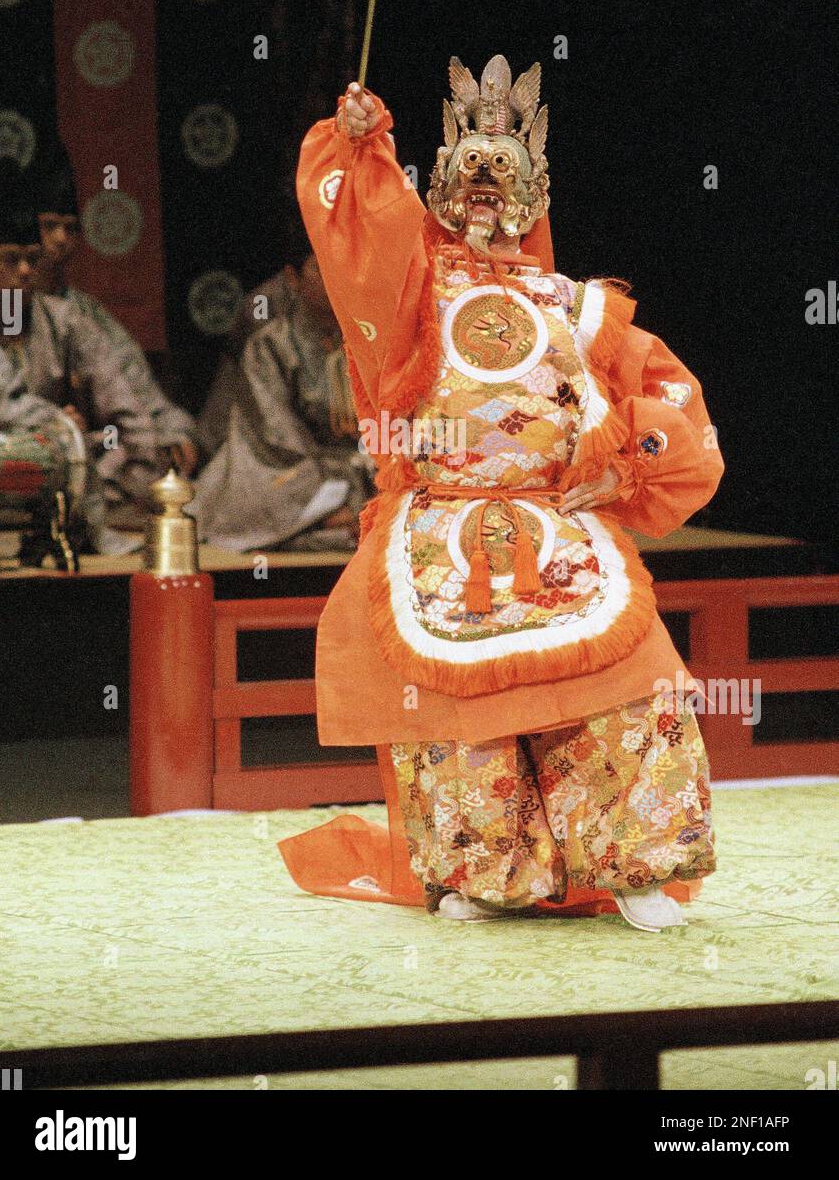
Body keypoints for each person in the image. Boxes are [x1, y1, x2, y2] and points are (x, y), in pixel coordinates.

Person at [277, 55, 724, 932]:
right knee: (453, 707)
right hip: (443, 529)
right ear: (438, 192)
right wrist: (359, 152)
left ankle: (635, 862)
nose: (484, 192)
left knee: (626, 688)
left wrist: (626, 465)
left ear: (534, 193)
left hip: (554, 527)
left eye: (502, 176)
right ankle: (482, 870)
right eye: (466, 178)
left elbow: (671, 401)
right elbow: (358, 249)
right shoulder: (410, 303)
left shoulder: (580, 308)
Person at [0, 172, 159, 546]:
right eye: (11, 260)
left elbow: (131, 418)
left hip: (70, 493)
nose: (26, 271)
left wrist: (80, 453)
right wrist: (54, 422)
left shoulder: (65, 321)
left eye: (32, 259)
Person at [32, 147, 203, 478]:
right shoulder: (0, 312)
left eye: (70, 228)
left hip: (97, 454)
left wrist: (175, 433)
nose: (60, 239)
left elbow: (137, 389)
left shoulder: (85, 313)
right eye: (49, 226)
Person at [190, 244, 373, 553]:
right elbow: (277, 439)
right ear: (292, 277)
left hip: (370, 476)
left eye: (343, 266)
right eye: (320, 268)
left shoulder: (376, 340)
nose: (334, 277)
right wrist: (333, 499)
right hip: (291, 477)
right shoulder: (270, 345)